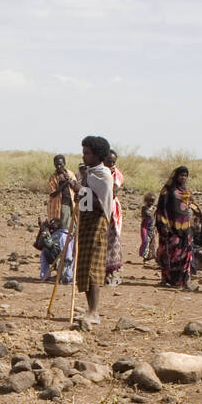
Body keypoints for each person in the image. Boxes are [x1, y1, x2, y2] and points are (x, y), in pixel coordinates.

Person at [75, 135, 114, 325]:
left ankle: (94, 311)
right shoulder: (88, 173)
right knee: (84, 266)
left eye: (87, 153)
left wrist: (81, 188)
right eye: (83, 153)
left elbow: (100, 204)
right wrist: (81, 186)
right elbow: (84, 201)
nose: (84, 157)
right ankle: (90, 308)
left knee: (93, 267)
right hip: (85, 222)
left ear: (98, 155)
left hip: (97, 223)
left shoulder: (103, 175)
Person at [40, 154, 78, 283]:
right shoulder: (53, 177)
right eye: (57, 164)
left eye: (61, 164)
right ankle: (60, 266)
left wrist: (69, 182)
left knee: (70, 234)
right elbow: (53, 193)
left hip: (71, 206)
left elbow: (76, 188)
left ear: (65, 163)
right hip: (59, 207)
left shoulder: (71, 174)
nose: (59, 166)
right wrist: (62, 185)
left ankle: (66, 269)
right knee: (62, 233)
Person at [155, 165, 194, 288]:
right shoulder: (167, 191)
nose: (183, 177)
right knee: (170, 253)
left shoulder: (185, 190)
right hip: (171, 227)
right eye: (181, 175)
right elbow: (161, 208)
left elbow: (188, 206)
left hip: (185, 227)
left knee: (185, 253)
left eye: (185, 176)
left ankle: (183, 280)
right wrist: (163, 224)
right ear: (176, 176)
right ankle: (168, 278)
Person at [103, 150, 125, 285]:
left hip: (111, 209)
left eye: (113, 162)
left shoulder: (116, 175)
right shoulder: (98, 172)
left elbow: (113, 192)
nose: (111, 164)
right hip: (99, 208)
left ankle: (110, 272)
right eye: (108, 161)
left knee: (112, 241)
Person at [139, 191, 157, 263]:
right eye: (150, 200)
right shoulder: (144, 208)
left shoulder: (154, 208)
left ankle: (149, 257)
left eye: (153, 201)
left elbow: (155, 217)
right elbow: (148, 214)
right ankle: (144, 255)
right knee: (146, 241)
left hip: (152, 227)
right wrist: (154, 210)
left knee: (152, 242)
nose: (152, 202)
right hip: (145, 227)